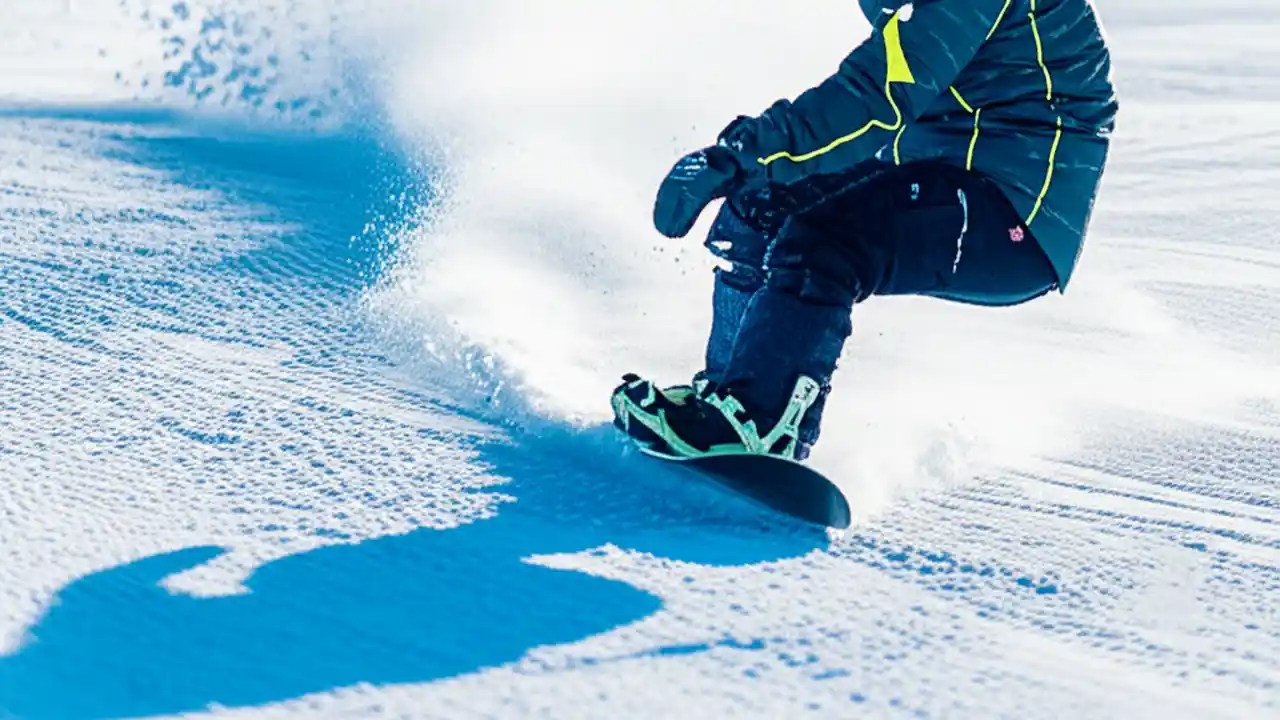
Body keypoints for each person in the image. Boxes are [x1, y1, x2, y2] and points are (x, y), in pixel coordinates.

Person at [611, 0, 1118, 461]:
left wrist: (745, 154)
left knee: (827, 240)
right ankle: (728, 396)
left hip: (1020, 206)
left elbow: (881, 92)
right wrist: (754, 167)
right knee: (764, 206)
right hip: (939, 161)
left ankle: (762, 423)